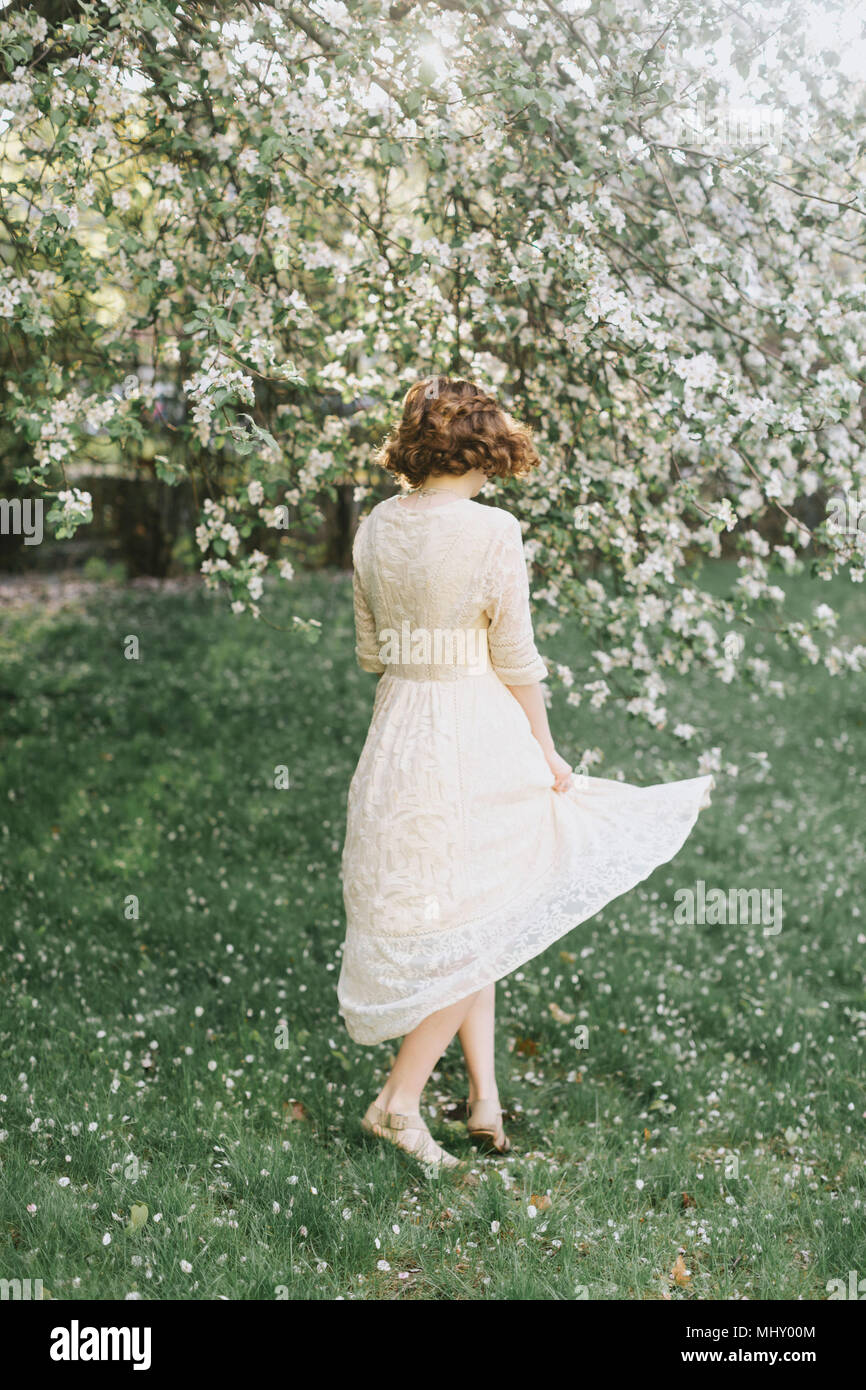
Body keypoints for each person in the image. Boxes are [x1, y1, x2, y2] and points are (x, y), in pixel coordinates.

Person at [337, 376, 713, 1171]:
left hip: (398, 729)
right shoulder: (492, 530)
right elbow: (515, 658)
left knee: (483, 909)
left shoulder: (374, 526)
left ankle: (483, 1099)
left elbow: (374, 652)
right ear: (483, 447)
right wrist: (545, 749)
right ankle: (397, 1103)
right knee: (480, 911)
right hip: (473, 727)